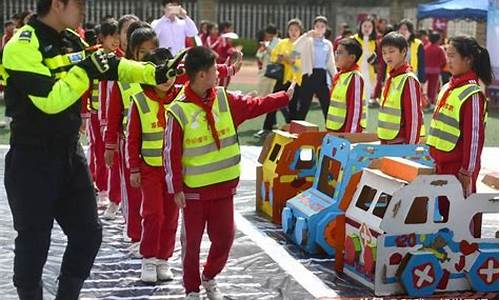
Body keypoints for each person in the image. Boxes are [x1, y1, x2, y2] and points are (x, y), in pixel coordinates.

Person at [2, 0, 183, 298]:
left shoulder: (71, 38)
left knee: (88, 235)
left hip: (69, 155)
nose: (85, 8)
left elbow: (112, 65)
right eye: (79, 3)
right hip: (32, 158)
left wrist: (155, 73)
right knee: (34, 243)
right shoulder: (21, 44)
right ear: (58, 4)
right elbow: (50, 100)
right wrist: (85, 70)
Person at [164, 46, 295, 300]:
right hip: (193, 193)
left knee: (225, 239)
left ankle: (209, 276)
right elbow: (170, 152)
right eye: (215, 69)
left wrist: (283, 97)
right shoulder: (178, 110)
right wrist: (176, 188)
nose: (219, 72)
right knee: (191, 245)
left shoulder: (224, 98)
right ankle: (191, 289)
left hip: (223, 188)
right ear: (201, 75)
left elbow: (254, 105)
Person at [126, 48, 180, 283]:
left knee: (171, 216)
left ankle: (163, 259)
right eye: (162, 75)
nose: (168, 81)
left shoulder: (181, 97)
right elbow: (132, 138)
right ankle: (148, 258)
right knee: (153, 214)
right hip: (149, 169)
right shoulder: (139, 100)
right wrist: (134, 169)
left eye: (171, 74)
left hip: (174, 171)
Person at [427, 36, 491, 232]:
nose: (448, 60)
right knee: (446, 212)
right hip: (441, 162)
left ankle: (468, 254)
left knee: (463, 215)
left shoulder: (472, 94)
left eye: (453, 55)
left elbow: (474, 138)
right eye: (447, 54)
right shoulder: (447, 87)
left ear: (468, 59)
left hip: (459, 168)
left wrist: (467, 171)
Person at [377, 32, 423, 145]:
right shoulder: (391, 77)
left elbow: (414, 117)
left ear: (403, 52)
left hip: (401, 144)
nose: (387, 56)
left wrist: (410, 148)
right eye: (384, 53)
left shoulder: (409, 79)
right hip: (387, 140)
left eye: (392, 51)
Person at [293, 16, 336, 121]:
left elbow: (331, 63)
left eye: (322, 26)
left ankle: (331, 130)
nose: (319, 29)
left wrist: (336, 76)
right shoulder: (307, 41)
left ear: (325, 29)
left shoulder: (328, 44)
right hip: (309, 75)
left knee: (327, 105)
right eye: (317, 26)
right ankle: (298, 132)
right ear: (313, 27)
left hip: (322, 76)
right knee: (304, 105)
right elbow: (295, 48)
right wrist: (306, 35)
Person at [326, 38, 365, 133]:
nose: (336, 56)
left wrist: (350, 137)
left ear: (352, 58)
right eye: (336, 52)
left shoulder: (355, 77)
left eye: (340, 53)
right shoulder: (340, 75)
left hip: (345, 135)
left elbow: (355, 111)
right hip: (334, 131)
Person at [253, 23, 284, 137]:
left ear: (275, 34)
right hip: (266, 73)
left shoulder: (279, 42)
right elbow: (259, 55)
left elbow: (277, 56)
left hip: (274, 74)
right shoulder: (267, 43)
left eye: (270, 35)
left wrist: (268, 48)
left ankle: (272, 123)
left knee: (270, 98)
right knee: (268, 98)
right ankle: (273, 122)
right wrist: (263, 49)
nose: (268, 37)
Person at [352, 17, 377, 117]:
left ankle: (363, 125)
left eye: (370, 26)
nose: (367, 28)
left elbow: (378, 61)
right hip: (355, 73)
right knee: (354, 100)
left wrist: (375, 60)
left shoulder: (374, 42)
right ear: (360, 27)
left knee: (365, 100)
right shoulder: (354, 39)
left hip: (368, 75)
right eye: (365, 26)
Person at [424, 30, 447, 111]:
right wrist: (440, 68)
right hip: (435, 71)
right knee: (433, 88)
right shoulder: (440, 49)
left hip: (425, 70)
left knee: (423, 87)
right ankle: (430, 103)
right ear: (438, 40)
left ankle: (423, 102)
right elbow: (444, 61)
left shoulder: (425, 47)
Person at [398, 19, 426, 83]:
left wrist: (422, 81)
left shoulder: (418, 44)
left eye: (405, 29)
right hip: (397, 77)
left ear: (410, 31)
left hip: (412, 77)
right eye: (401, 29)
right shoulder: (394, 43)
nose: (402, 31)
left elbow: (421, 64)